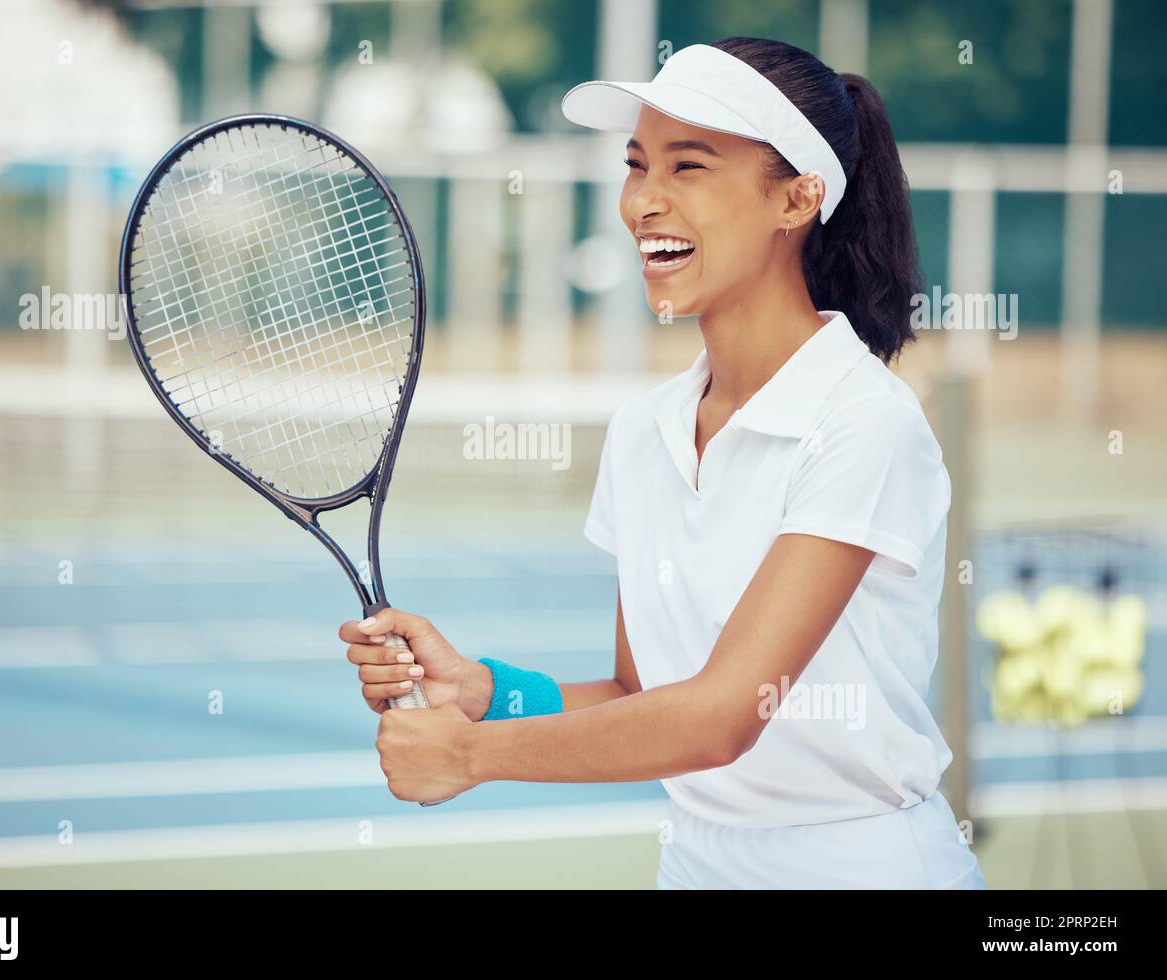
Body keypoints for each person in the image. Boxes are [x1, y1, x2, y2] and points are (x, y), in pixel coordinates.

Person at [338, 36, 986, 890]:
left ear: (797, 199)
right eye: (636, 165)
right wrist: (485, 692)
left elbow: (719, 717)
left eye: (689, 167)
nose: (644, 201)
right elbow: (643, 693)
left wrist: (471, 756)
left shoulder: (865, 422)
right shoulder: (645, 431)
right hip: (696, 864)